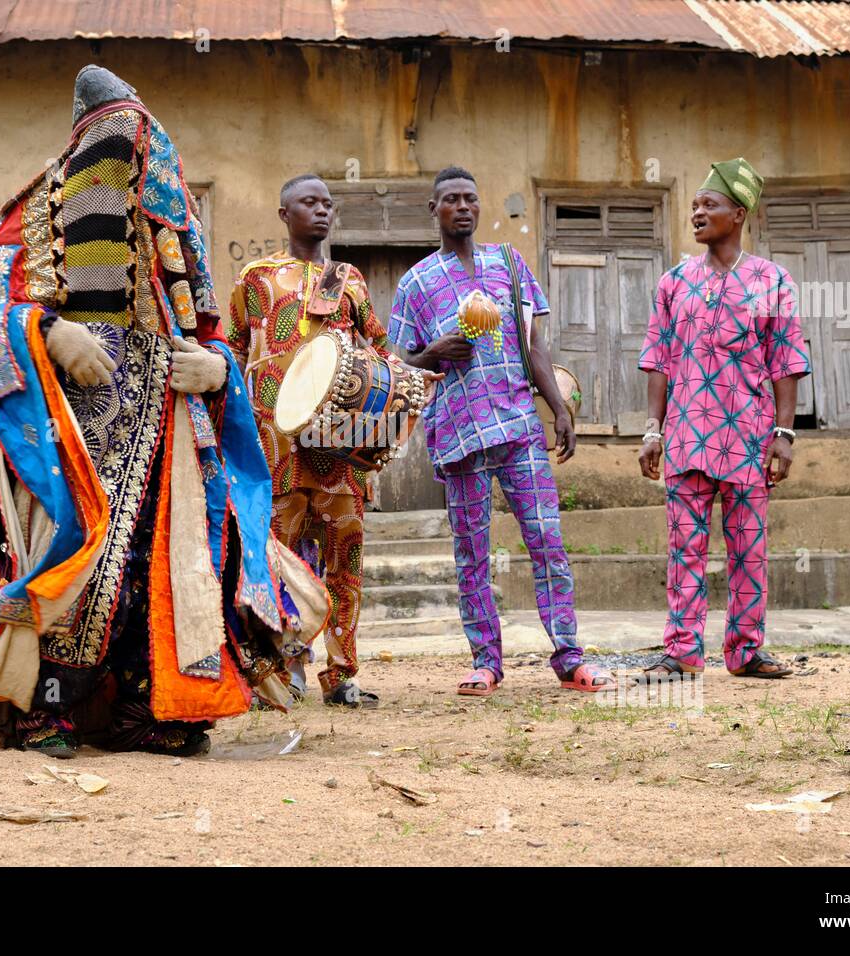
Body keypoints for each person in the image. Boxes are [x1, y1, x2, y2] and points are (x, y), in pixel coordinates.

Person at [0, 66, 328, 758]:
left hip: (164, 432)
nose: (120, 157)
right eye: (105, 142)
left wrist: (215, 370)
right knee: (78, 559)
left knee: (153, 571)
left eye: (132, 143)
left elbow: (209, 339)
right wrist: (48, 332)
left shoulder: (168, 234)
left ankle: (144, 706)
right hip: (64, 433)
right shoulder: (30, 222)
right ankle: (43, 708)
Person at [389, 166, 615, 698]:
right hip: (458, 435)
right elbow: (402, 366)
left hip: (517, 426)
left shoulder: (509, 264)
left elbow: (534, 345)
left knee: (546, 541)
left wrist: (557, 407)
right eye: (450, 199)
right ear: (434, 209)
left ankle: (568, 656)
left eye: (470, 197)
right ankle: (486, 661)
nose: (462, 206)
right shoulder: (416, 283)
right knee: (471, 552)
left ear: (478, 205)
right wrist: (434, 353)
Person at [636, 157, 811, 681]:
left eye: (708, 205)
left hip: (750, 438)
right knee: (684, 548)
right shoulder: (673, 283)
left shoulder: (772, 280)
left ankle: (745, 650)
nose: (696, 213)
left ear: (738, 214)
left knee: (749, 551)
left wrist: (783, 433)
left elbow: (786, 360)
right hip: (687, 437)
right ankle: (683, 651)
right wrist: (652, 428)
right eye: (693, 205)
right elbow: (658, 358)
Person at [227, 174, 388, 708]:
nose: (321, 211)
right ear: (283, 213)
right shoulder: (257, 278)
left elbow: (379, 349)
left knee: (346, 559)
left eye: (327, 203)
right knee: (280, 561)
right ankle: (285, 667)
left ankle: (342, 676)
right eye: (308, 202)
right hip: (276, 447)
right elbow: (228, 353)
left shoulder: (350, 281)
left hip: (340, 447)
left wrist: (400, 388)